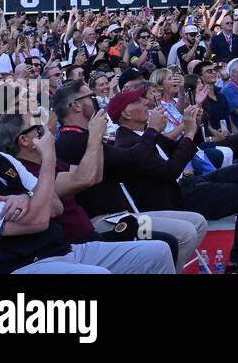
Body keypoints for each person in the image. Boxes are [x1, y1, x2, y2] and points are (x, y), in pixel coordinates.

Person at [0, 113, 174, 275]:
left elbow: (55, 206)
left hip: (63, 248)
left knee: (159, 251)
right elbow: (41, 219)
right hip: (20, 267)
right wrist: (49, 158)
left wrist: (27, 199)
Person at [110, 87, 238, 274]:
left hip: (188, 184)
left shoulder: (142, 135)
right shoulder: (126, 144)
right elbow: (168, 171)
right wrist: (185, 133)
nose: (146, 102)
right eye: (138, 100)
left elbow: (179, 150)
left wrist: (192, 125)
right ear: (126, 113)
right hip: (176, 198)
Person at [53, 81, 208, 271]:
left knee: (197, 222)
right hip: (105, 220)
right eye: (91, 97)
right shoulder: (74, 140)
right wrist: (151, 131)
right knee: (185, 233)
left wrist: (187, 128)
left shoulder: (84, 137)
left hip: (123, 214)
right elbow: (131, 160)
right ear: (76, 105)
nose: (96, 101)